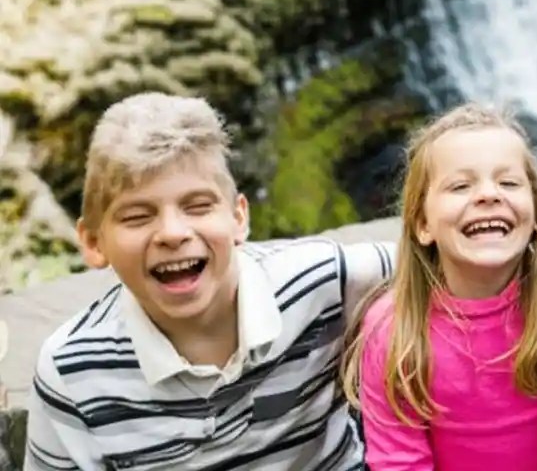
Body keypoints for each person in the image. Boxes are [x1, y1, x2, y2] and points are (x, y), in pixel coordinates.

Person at [24, 93, 394, 471]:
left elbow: (432, 266)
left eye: (198, 206)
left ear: (238, 217)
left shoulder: (324, 280)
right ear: (92, 242)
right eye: (137, 216)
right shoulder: (72, 370)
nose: (172, 233)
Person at [341, 103, 537, 471]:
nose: (488, 195)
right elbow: (400, 463)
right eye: (460, 186)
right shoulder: (394, 331)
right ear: (423, 224)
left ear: (535, 214)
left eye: (509, 183)